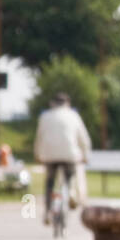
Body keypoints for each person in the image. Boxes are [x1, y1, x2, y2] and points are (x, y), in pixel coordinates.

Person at [33, 92, 91, 223]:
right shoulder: (74, 116)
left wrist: (37, 155)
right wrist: (86, 156)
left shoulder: (45, 116)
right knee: (69, 176)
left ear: (53, 103)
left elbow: (39, 138)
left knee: (49, 183)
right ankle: (70, 193)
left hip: (49, 155)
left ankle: (48, 212)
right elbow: (83, 139)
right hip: (70, 154)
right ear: (67, 104)